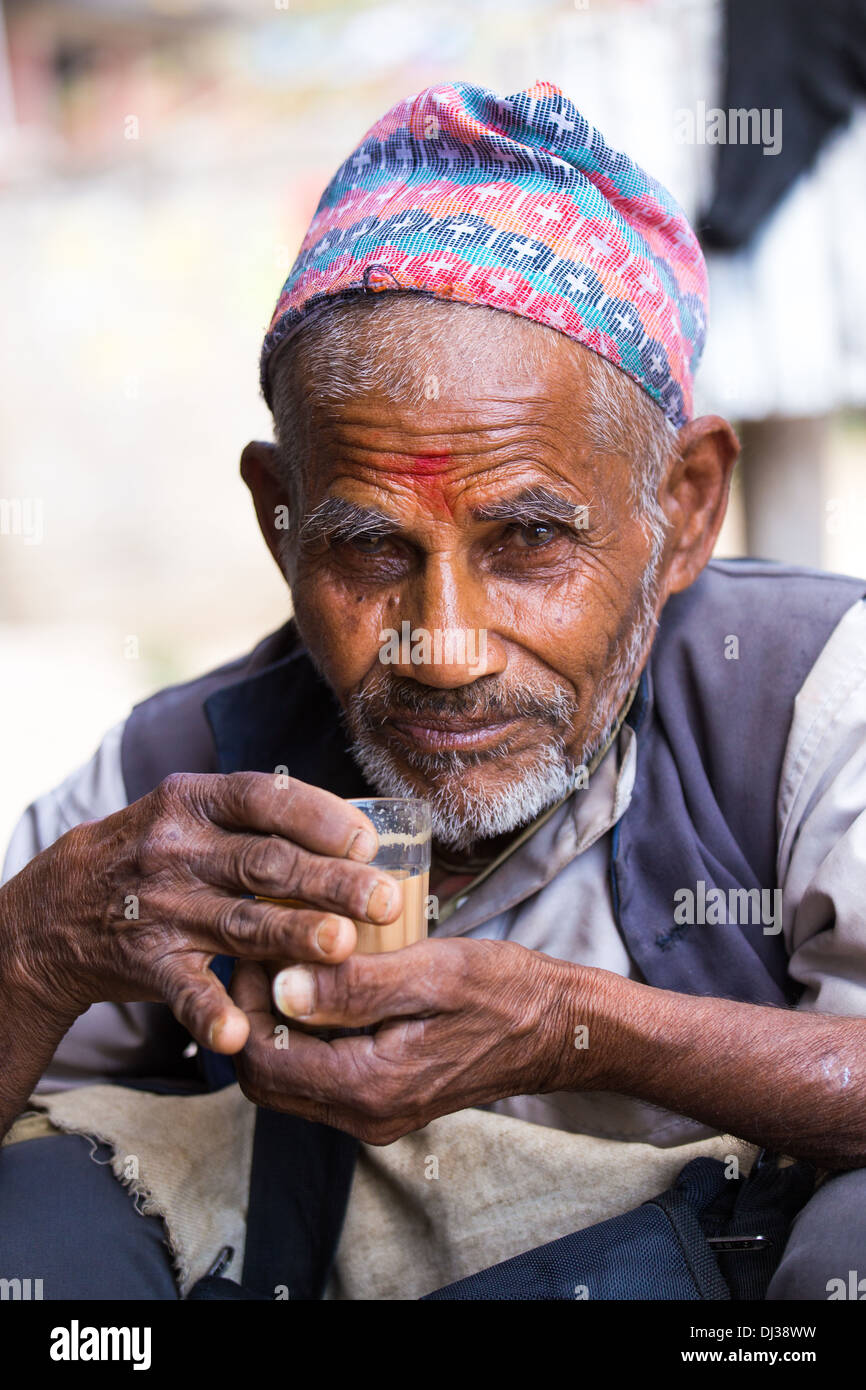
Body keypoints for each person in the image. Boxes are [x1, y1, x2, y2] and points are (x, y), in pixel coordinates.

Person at [2, 80, 865, 1300]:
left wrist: (576, 1023)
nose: (442, 648)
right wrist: (38, 945)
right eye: (367, 547)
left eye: (527, 540)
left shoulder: (808, 697)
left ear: (681, 509)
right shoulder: (189, 774)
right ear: (279, 518)